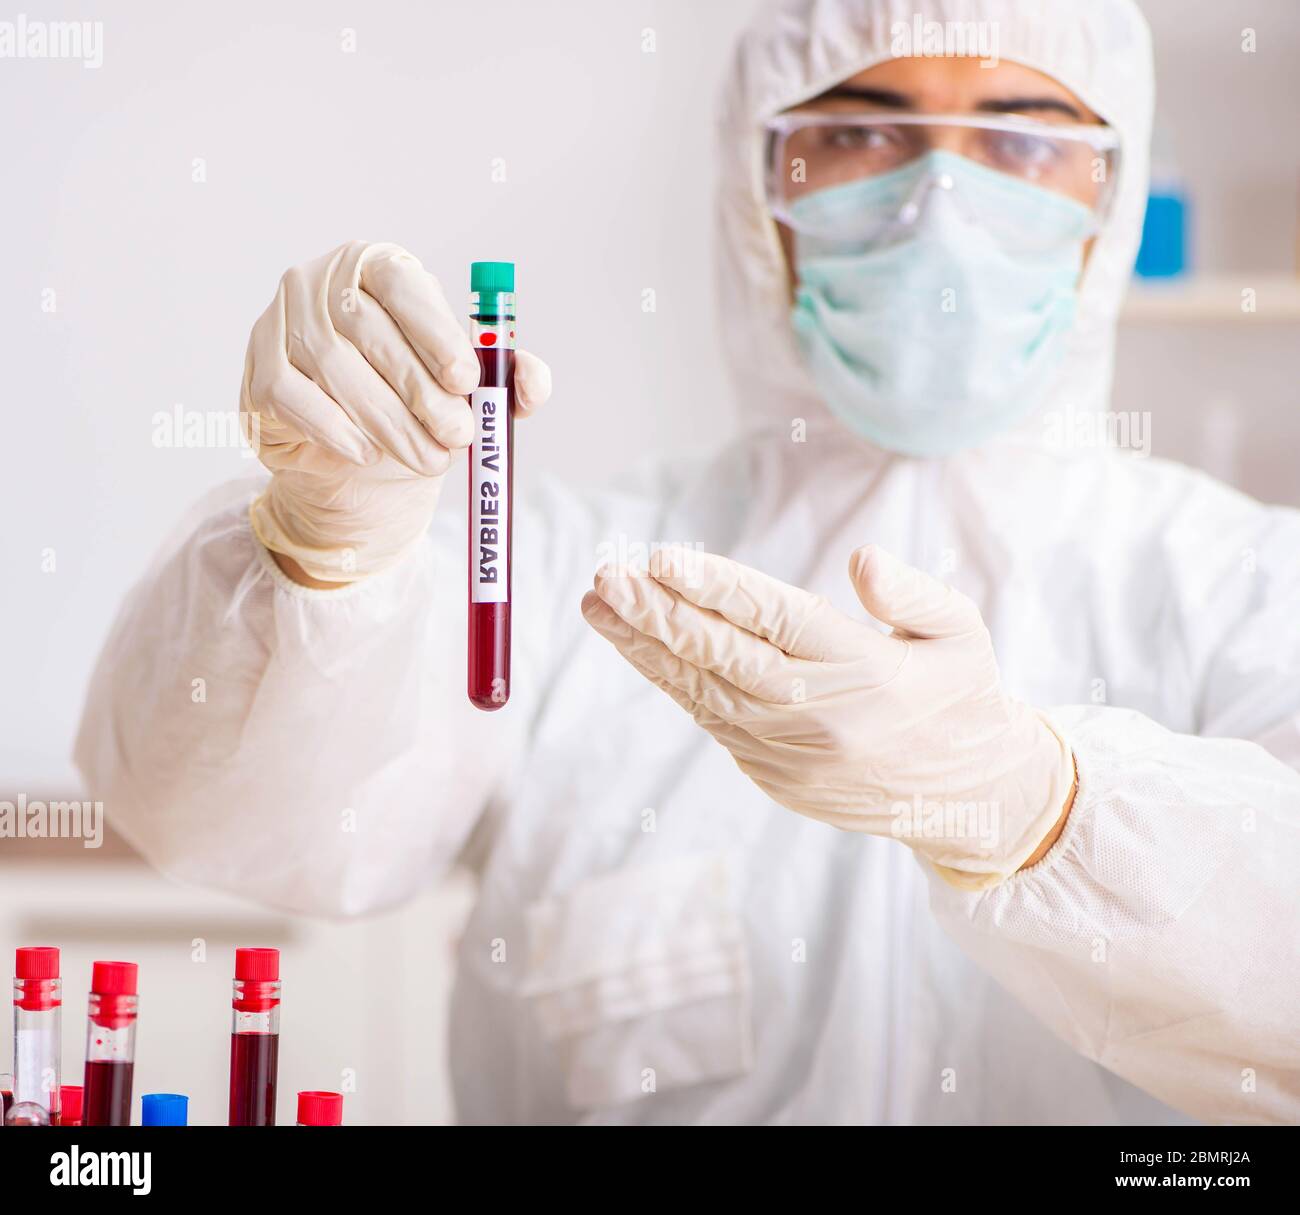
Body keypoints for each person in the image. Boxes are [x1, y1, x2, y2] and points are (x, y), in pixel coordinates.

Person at [76, 0, 1299, 1125]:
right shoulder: (573, 579)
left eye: (1021, 140)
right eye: (863, 138)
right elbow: (222, 825)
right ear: (759, 186)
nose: (940, 198)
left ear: (1111, 200)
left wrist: (1042, 810)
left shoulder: (1248, 589)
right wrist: (324, 553)